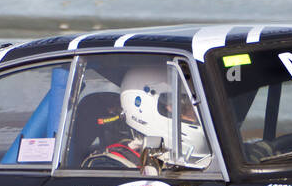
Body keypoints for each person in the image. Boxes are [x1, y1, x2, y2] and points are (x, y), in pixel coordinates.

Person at [80, 63, 211, 171]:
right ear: (144, 108)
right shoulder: (110, 166)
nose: (195, 114)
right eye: (185, 107)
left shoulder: (214, 154)